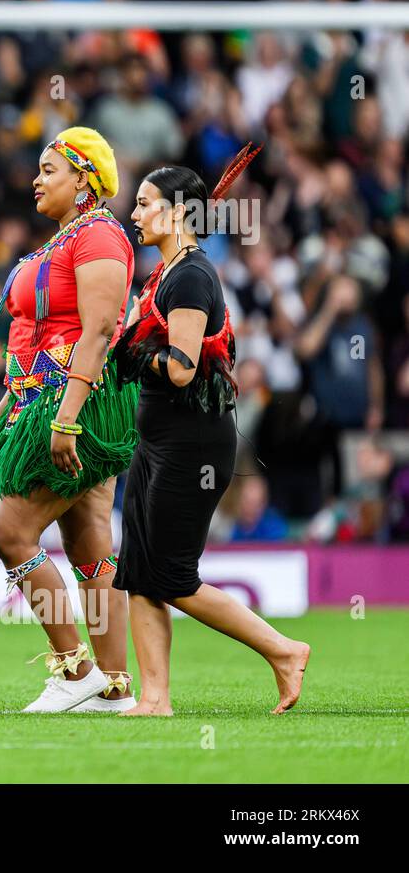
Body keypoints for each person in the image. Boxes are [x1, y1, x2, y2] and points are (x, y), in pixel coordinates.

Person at [115, 146, 309, 715]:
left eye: (146, 204)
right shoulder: (164, 273)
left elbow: (179, 367)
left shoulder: (193, 279)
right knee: (140, 574)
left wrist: (131, 354)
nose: (134, 213)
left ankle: (283, 649)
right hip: (156, 442)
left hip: (191, 444)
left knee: (174, 577)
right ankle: (155, 700)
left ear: (176, 214)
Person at [0, 127, 139, 713]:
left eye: (48, 169)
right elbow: (27, 345)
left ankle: (75, 669)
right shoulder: (62, 241)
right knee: (89, 546)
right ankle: (113, 685)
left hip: (76, 404)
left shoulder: (100, 238)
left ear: (84, 177)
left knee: (10, 533)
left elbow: (100, 331)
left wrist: (66, 417)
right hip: (44, 400)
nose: (36, 180)